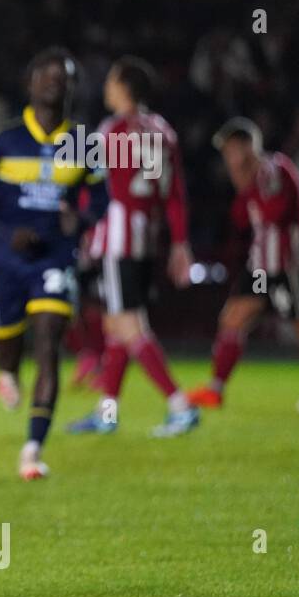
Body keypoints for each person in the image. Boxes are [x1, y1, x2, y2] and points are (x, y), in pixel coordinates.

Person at [0, 48, 107, 479]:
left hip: (55, 259)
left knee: (48, 346)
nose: (55, 80)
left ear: (74, 88)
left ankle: (32, 449)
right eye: (46, 73)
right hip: (7, 259)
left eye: (65, 75)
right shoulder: (1, 137)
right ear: (29, 83)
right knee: (7, 347)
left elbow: (100, 198)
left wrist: (80, 219)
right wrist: (5, 234)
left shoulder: (83, 141)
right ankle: (5, 368)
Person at [67, 57, 200, 437]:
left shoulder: (111, 132)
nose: (106, 88)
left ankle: (180, 404)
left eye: (111, 81)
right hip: (146, 236)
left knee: (129, 325)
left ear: (125, 87)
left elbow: (89, 188)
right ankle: (107, 413)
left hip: (118, 236)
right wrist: (180, 243)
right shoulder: (162, 131)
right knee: (117, 326)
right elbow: (174, 195)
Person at [188, 118, 299, 406]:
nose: (228, 157)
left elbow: (274, 213)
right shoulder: (251, 177)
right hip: (260, 268)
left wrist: (247, 185)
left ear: (247, 147)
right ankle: (215, 389)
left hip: (284, 266)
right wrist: (242, 183)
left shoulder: (272, 169)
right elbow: (241, 218)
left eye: (231, 149)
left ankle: (215, 388)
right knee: (233, 318)